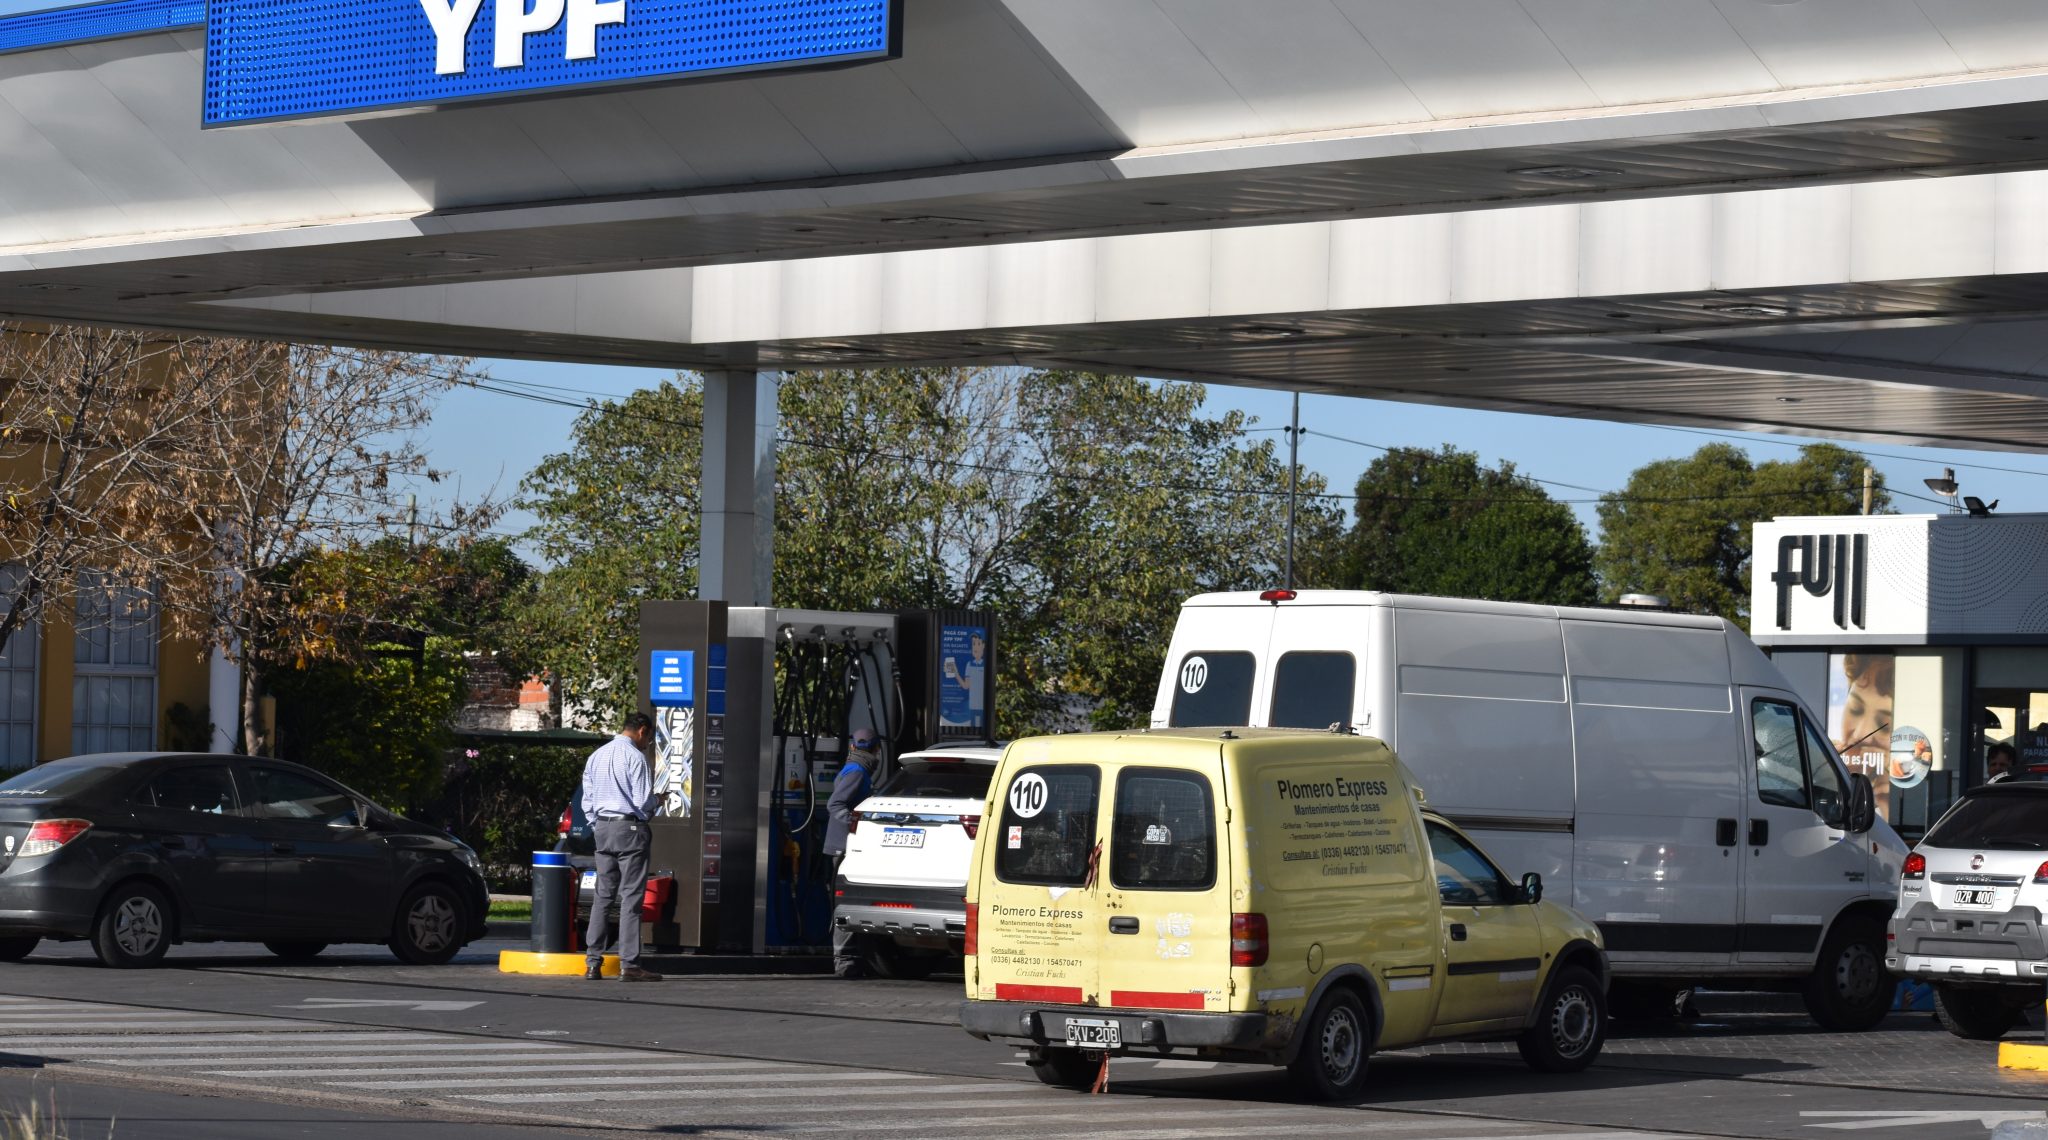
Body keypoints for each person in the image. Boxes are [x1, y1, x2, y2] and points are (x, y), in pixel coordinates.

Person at [581, 712, 663, 983]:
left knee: (603, 897)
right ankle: (630, 965)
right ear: (642, 730)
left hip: (603, 829)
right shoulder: (636, 758)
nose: (647, 744)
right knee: (631, 898)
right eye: (648, 738)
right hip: (630, 830)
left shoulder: (596, 756)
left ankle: (593, 963)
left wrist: (596, 824)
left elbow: (587, 801)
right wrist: (658, 800)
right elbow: (641, 801)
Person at [824, 727, 880, 978]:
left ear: (852, 747)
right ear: (877, 749)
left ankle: (849, 960)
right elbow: (835, 803)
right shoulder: (858, 772)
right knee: (845, 904)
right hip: (844, 846)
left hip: (841, 845)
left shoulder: (853, 767)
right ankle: (844, 963)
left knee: (845, 903)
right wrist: (856, 824)